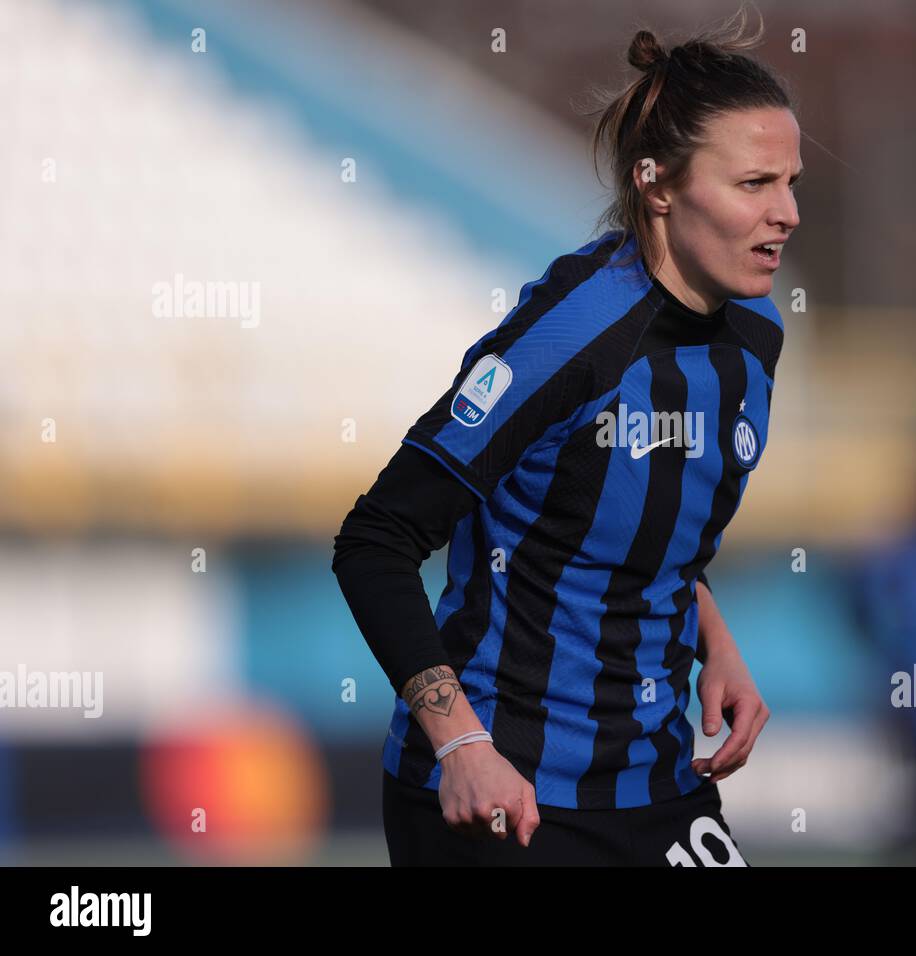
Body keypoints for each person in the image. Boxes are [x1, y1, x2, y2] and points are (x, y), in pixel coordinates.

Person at [332, 9, 802, 865]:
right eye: (755, 184)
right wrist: (461, 746)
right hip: (505, 795)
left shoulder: (756, 338)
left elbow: (620, 535)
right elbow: (376, 543)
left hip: (655, 787)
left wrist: (716, 643)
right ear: (659, 186)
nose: (788, 213)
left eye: (791, 182)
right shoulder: (567, 340)